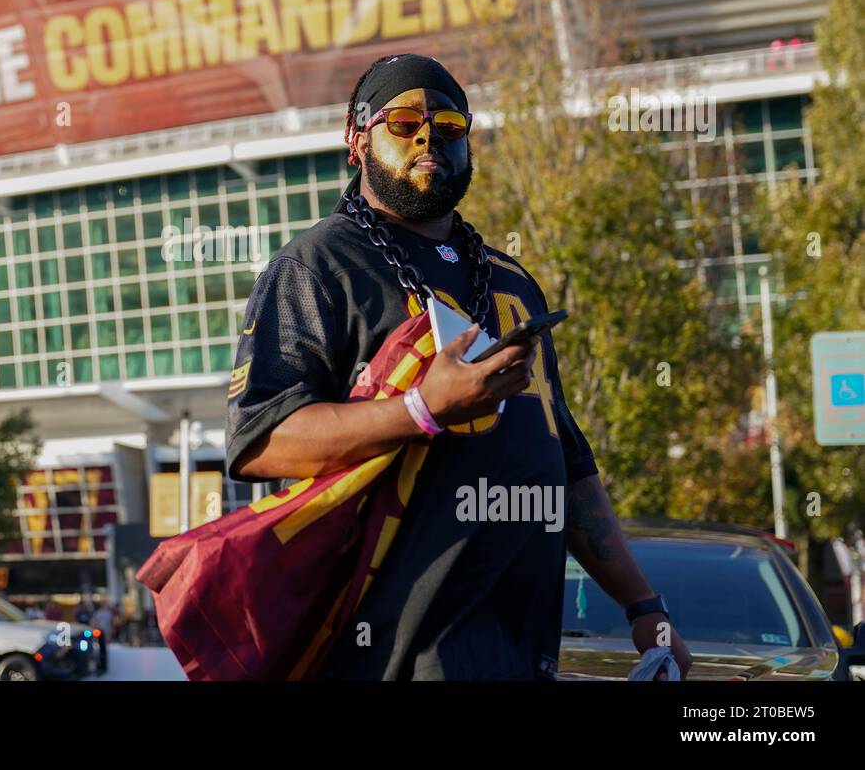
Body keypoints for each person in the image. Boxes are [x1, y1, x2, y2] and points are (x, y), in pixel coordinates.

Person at [225, 53, 692, 681]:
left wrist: (644, 607)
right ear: (356, 139)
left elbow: (567, 461)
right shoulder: (316, 267)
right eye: (403, 123)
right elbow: (259, 440)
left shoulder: (513, 282)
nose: (428, 138)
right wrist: (421, 410)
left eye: (447, 126)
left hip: (521, 652)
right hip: (385, 658)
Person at [89, 598, 114, 673]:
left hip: (104, 632)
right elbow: (94, 622)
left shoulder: (107, 614)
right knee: (100, 650)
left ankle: (102, 665)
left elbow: (110, 624)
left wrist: (110, 633)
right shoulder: (99, 613)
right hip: (100, 632)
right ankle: (100, 665)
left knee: (103, 650)